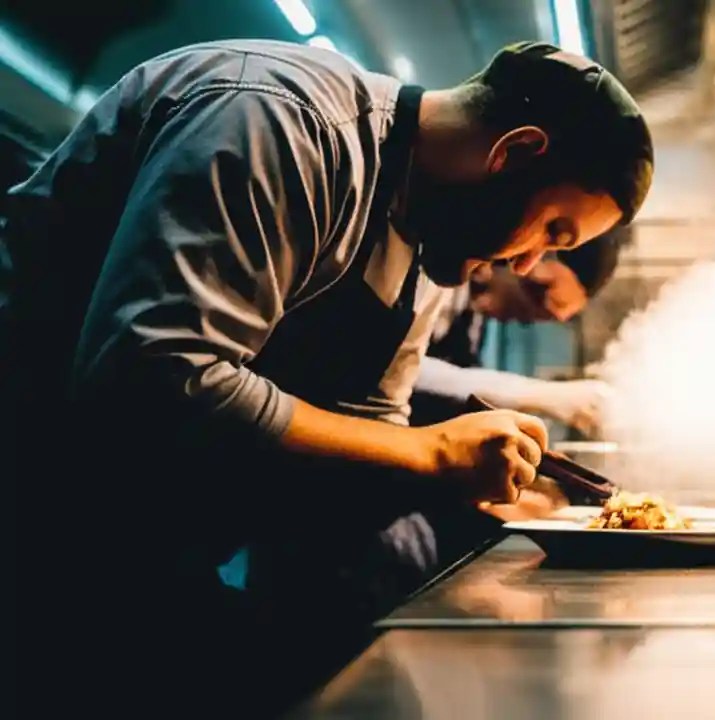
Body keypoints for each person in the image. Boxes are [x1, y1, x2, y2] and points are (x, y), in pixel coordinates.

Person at [4, 38, 651, 717]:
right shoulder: (278, 121)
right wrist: (429, 451)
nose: (526, 263)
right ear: (514, 152)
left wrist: (466, 488)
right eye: (553, 230)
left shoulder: (424, 245)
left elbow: (366, 432)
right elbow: (152, 373)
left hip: (148, 546)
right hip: (35, 518)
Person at [412, 228, 625, 432]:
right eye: (537, 294)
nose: (526, 317)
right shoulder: (434, 262)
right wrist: (544, 396)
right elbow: (408, 370)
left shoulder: (468, 329)